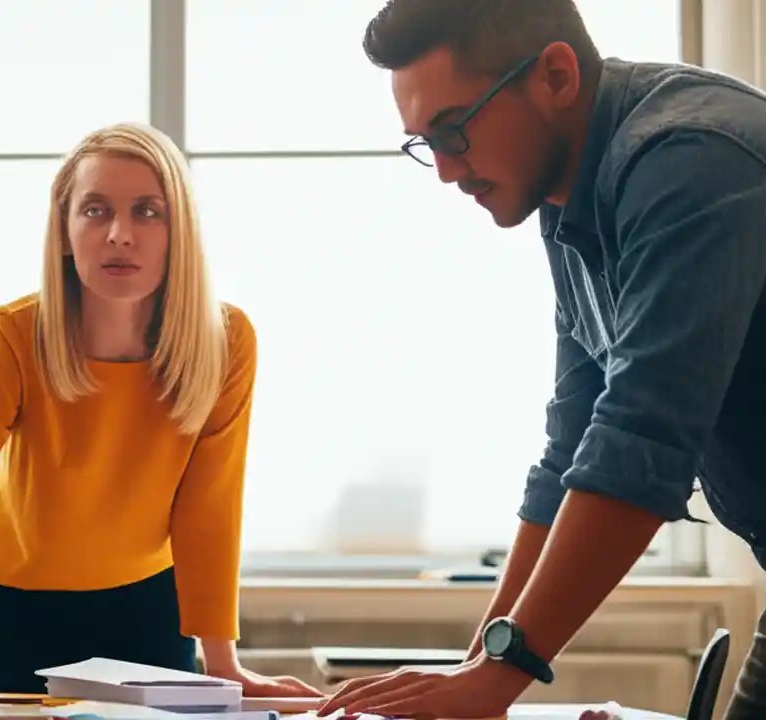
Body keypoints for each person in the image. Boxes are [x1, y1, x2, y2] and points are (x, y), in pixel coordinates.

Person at [320, 1, 766, 718]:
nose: (443, 170)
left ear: (555, 75)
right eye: (423, 144)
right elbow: (573, 447)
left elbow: (641, 437)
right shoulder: (568, 197)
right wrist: (478, 666)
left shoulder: (690, 159)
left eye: (454, 129)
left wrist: (501, 675)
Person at [0, 122, 323, 700]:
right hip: (8, 603)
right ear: (65, 230)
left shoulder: (227, 341)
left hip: (147, 599)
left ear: (179, 231)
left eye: (147, 211)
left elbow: (209, 509)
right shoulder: (17, 338)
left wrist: (223, 667)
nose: (120, 234)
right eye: (95, 210)